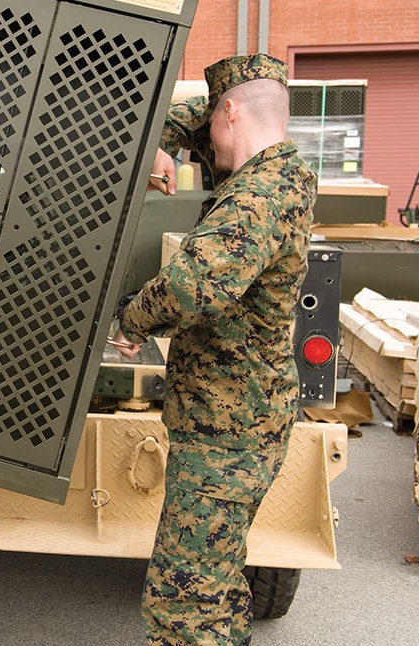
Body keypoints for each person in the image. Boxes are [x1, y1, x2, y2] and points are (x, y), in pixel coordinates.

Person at [109, 53, 317, 645]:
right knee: (217, 587)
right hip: (237, 421)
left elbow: (190, 284)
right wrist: (155, 143)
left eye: (217, 123)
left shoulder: (258, 198)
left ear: (230, 111)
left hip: (228, 434)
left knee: (184, 605)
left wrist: (131, 318)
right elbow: (201, 119)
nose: (205, 146)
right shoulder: (281, 175)